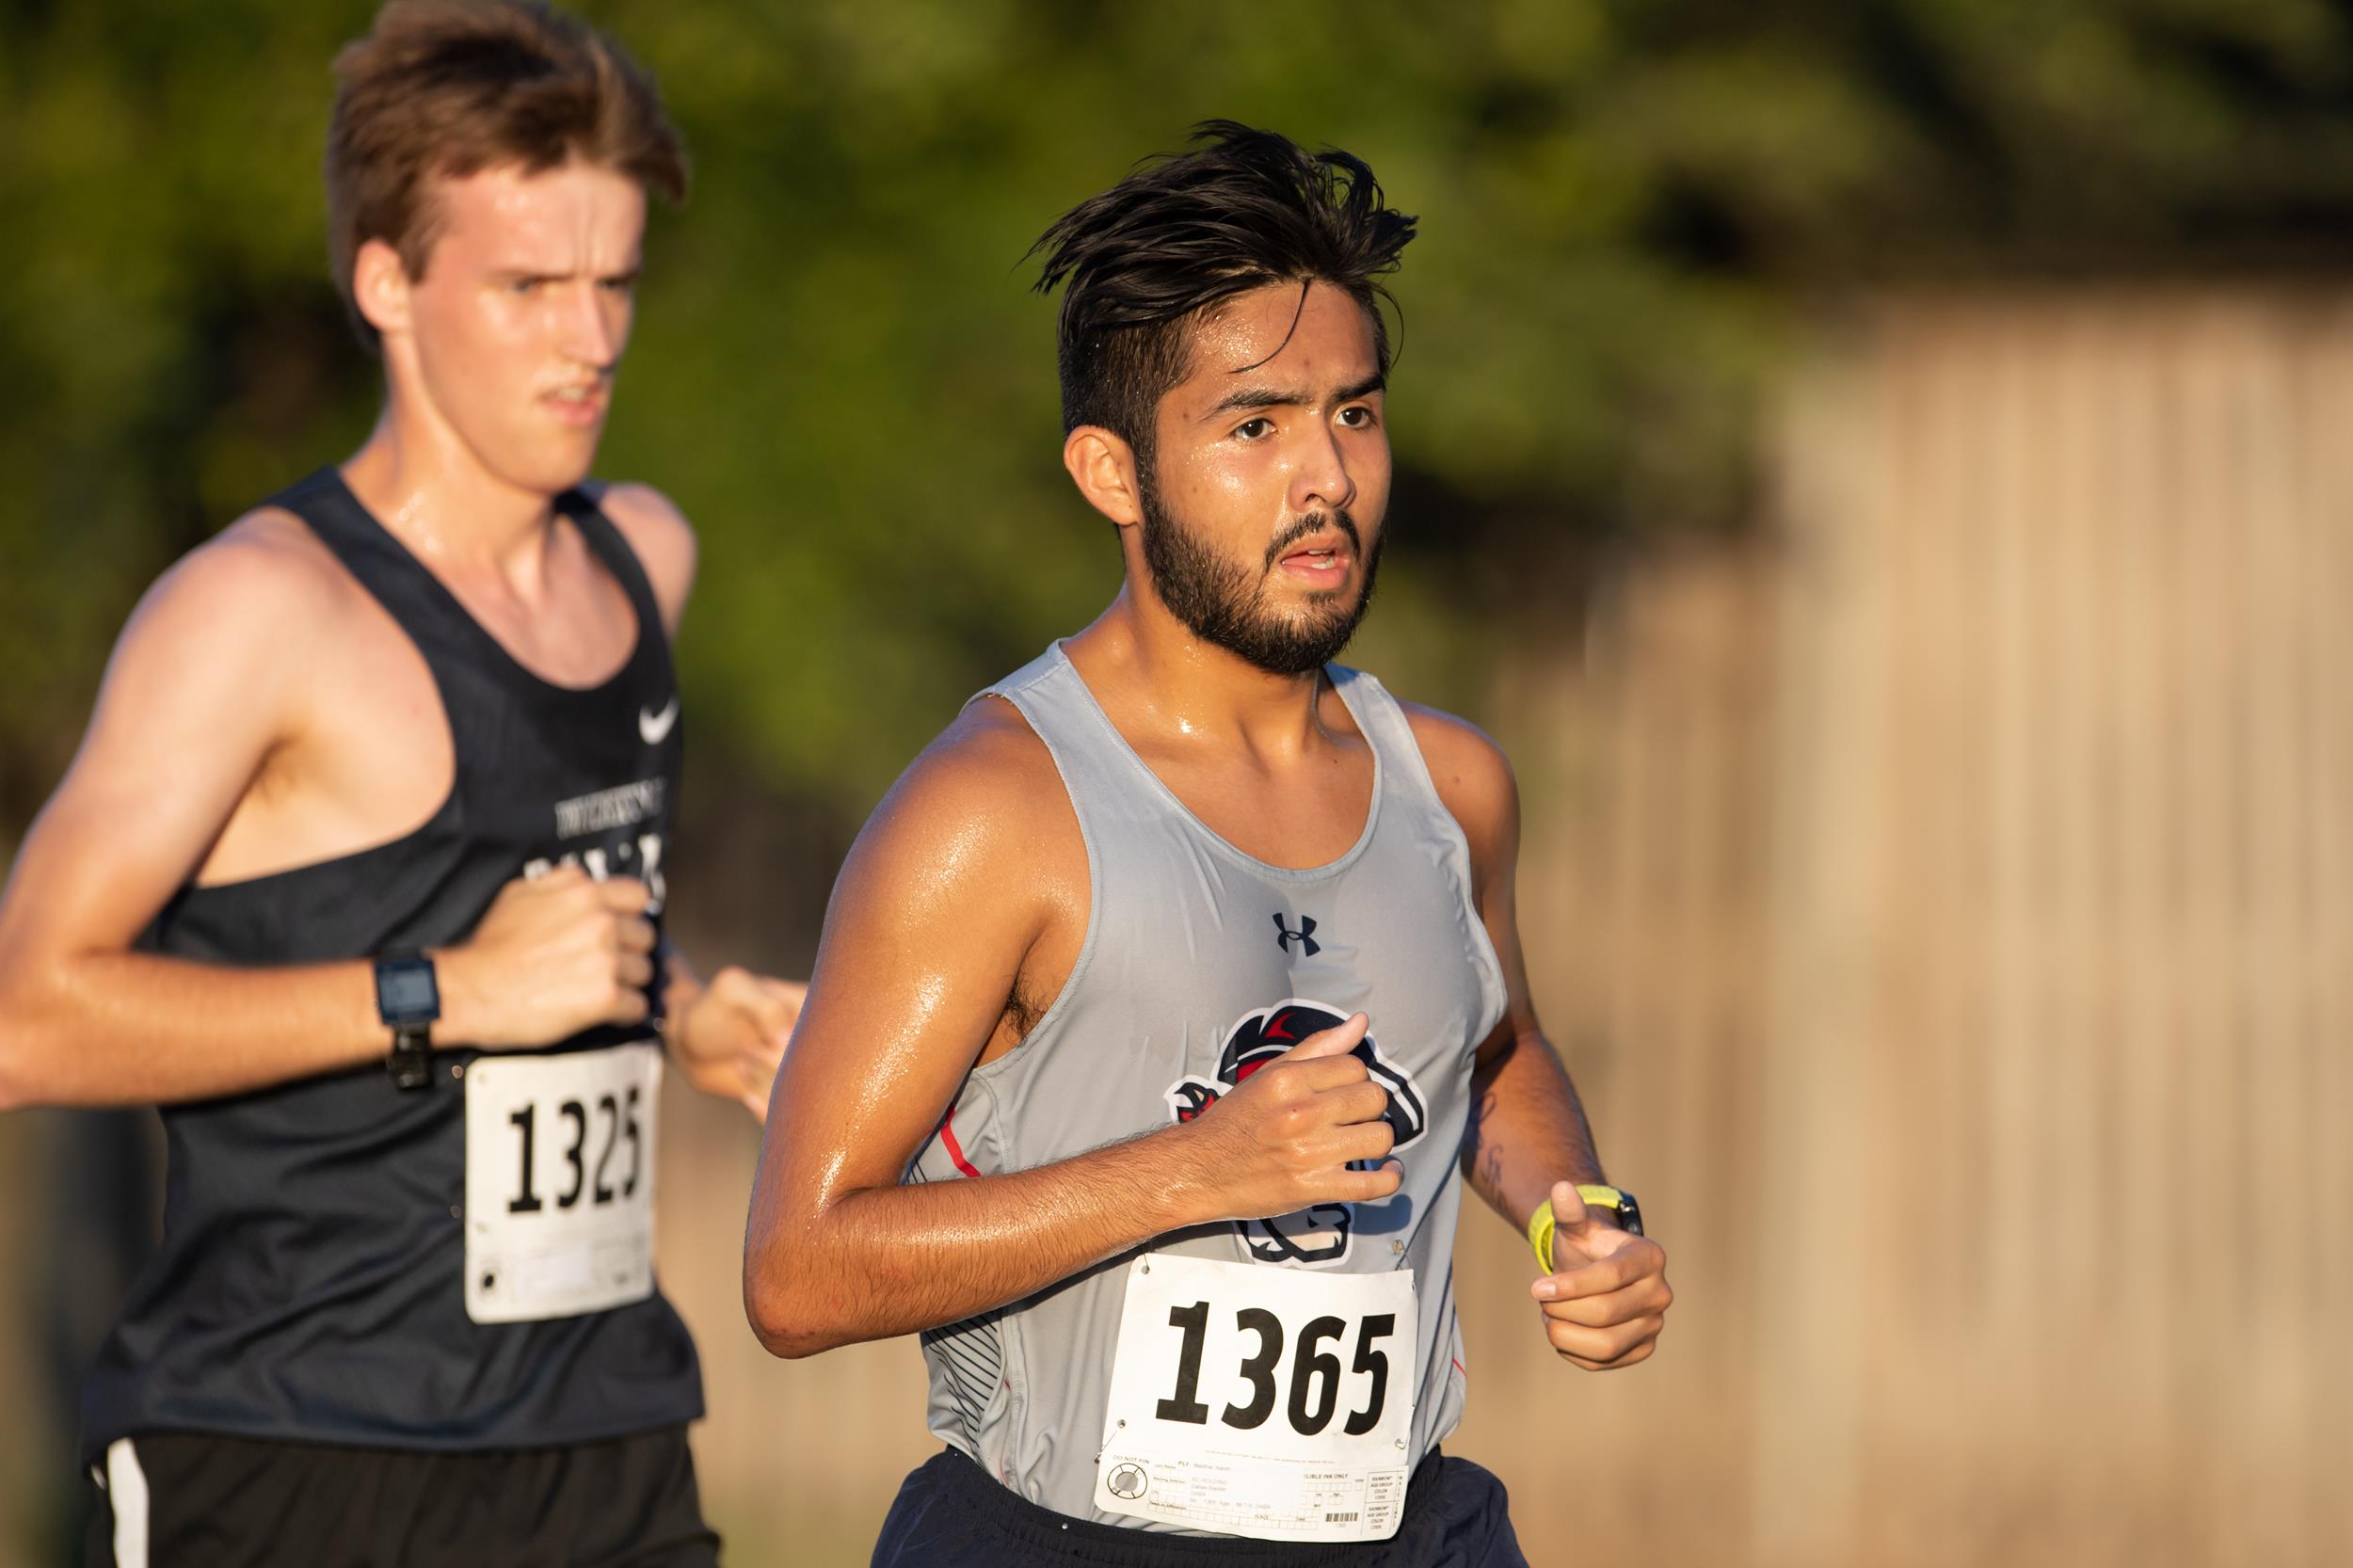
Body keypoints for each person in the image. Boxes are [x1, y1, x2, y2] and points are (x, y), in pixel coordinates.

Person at [743, 122, 1674, 1567]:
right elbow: (797, 1273)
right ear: (1111, 471)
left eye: (1354, 414)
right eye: (1255, 426)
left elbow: (1492, 1050)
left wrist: (1577, 1218)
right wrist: (1195, 1170)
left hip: (1413, 1528)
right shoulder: (990, 812)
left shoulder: (1454, 786)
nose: (1326, 480)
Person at [0, 4, 803, 1562]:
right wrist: (437, 993)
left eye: (615, 281)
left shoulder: (646, 558)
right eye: (528, 288)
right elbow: (24, 1015)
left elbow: (551, 918)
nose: (593, 340)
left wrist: (684, 1008)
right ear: (386, 282)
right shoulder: (259, 611)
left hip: (603, 1430)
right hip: (294, 1445)